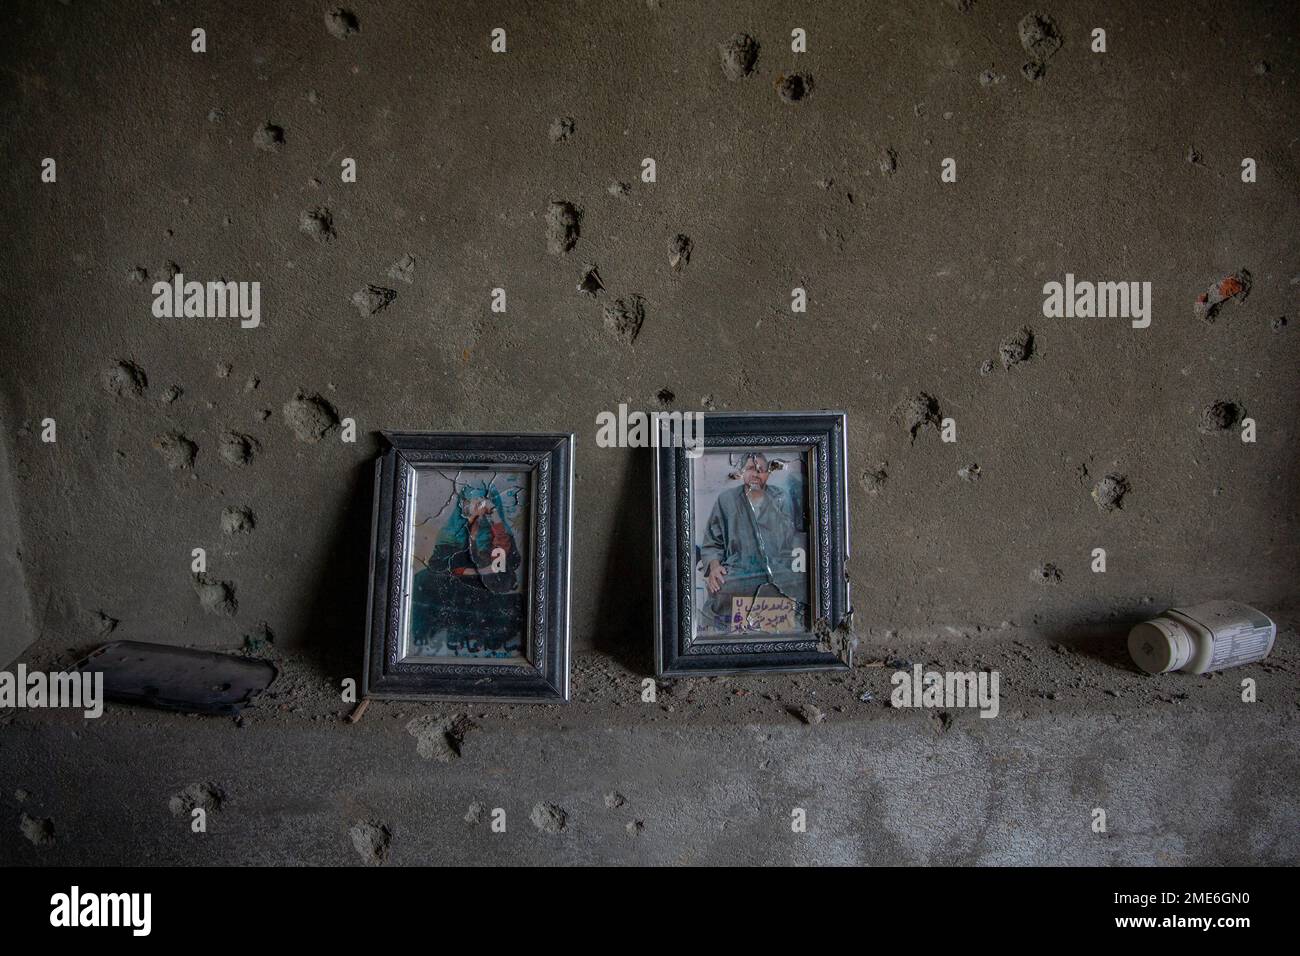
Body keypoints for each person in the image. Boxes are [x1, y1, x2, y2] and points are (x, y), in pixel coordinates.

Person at [409, 478, 525, 657]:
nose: (476, 508)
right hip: (456, 584)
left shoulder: (499, 535)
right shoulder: (451, 532)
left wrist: (493, 516)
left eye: (481, 503)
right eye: (471, 503)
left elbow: (503, 565)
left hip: (489, 586)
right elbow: (438, 563)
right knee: (423, 582)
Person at [698, 453, 805, 632]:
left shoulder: (779, 498)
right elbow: (712, 543)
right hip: (740, 571)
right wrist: (714, 566)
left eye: (761, 470)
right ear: (742, 473)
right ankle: (733, 632)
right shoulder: (726, 501)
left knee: (799, 584)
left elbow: (789, 541)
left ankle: (781, 630)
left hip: (776, 570)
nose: (756, 474)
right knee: (723, 588)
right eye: (750, 469)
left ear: (768, 474)